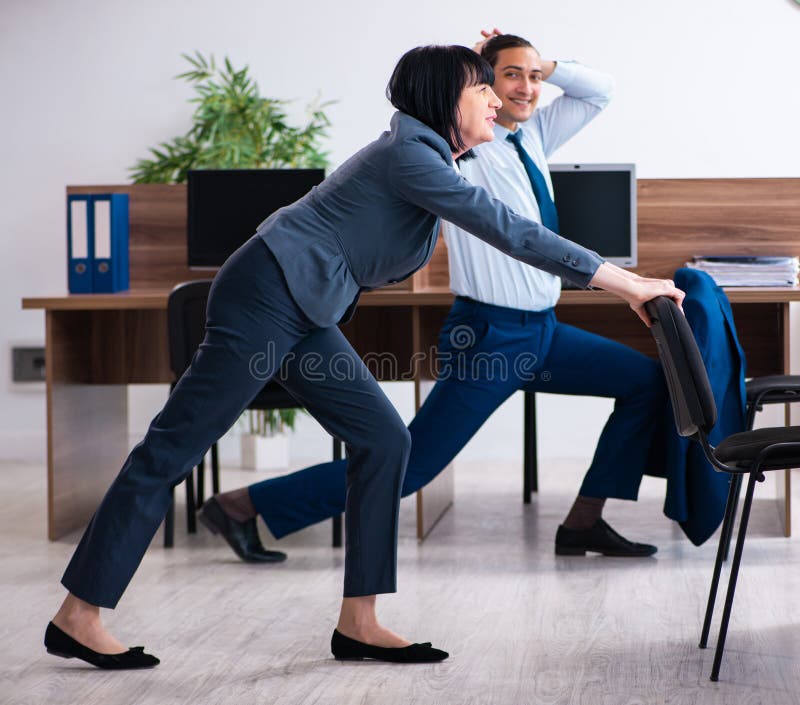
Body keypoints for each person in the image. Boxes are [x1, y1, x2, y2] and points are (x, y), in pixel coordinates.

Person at [46, 43, 683, 670]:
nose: (495, 99)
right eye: (481, 87)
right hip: (266, 297)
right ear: (443, 98)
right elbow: (513, 231)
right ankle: (79, 615)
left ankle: (361, 621)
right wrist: (629, 284)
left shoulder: (432, 155)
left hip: (303, 306)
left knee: (385, 442)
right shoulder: (412, 155)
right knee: (172, 448)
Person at [205, 31, 673, 564]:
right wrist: (623, 282)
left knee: (646, 383)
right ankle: (243, 505)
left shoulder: (533, 137)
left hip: (543, 331)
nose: (520, 90)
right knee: (416, 463)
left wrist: (540, 61)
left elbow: (601, 91)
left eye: (534, 77)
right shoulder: (467, 151)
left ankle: (584, 523)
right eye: (506, 77)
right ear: (470, 93)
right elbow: (512, 229)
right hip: (491, 335)